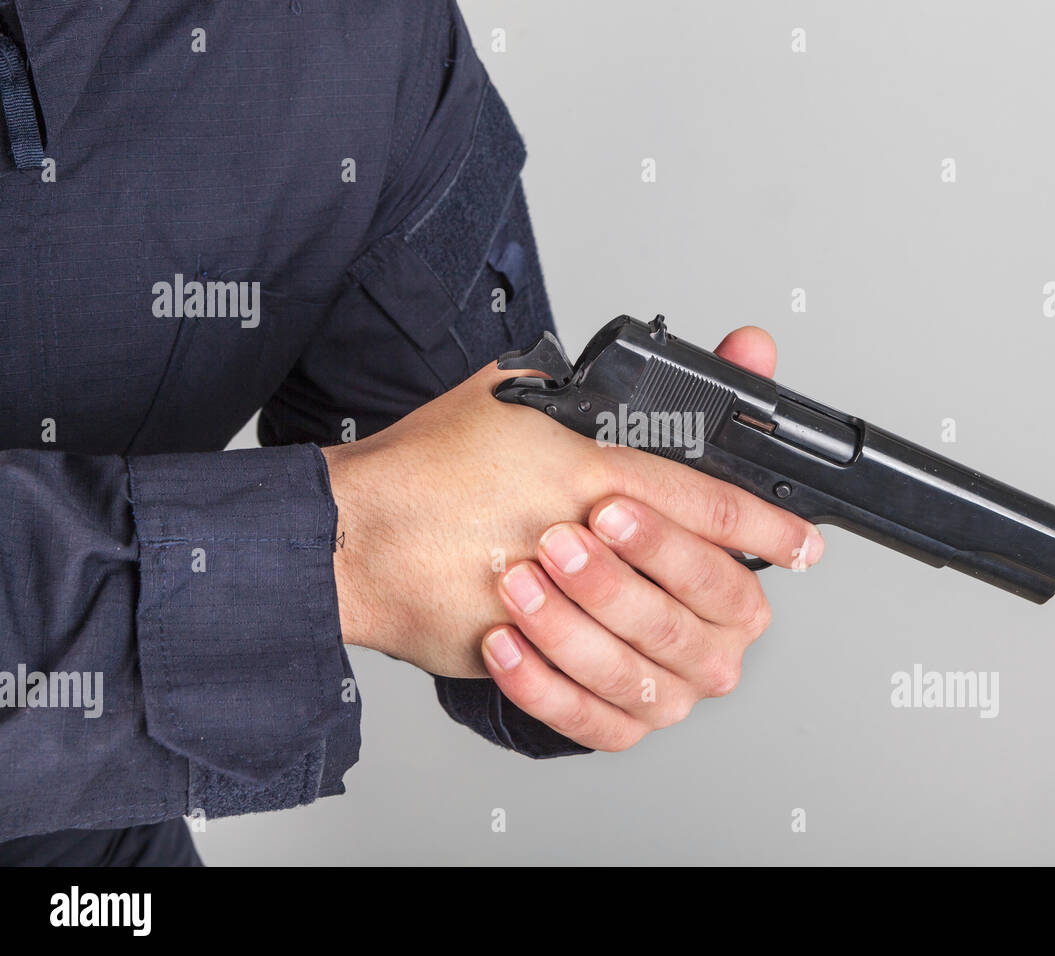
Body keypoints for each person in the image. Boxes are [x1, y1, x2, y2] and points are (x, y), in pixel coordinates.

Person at [0, 0, 822, 865]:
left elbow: (485, 480)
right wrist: (335, 558)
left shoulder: (359, 34)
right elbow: (387, 531)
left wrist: (608, 589)